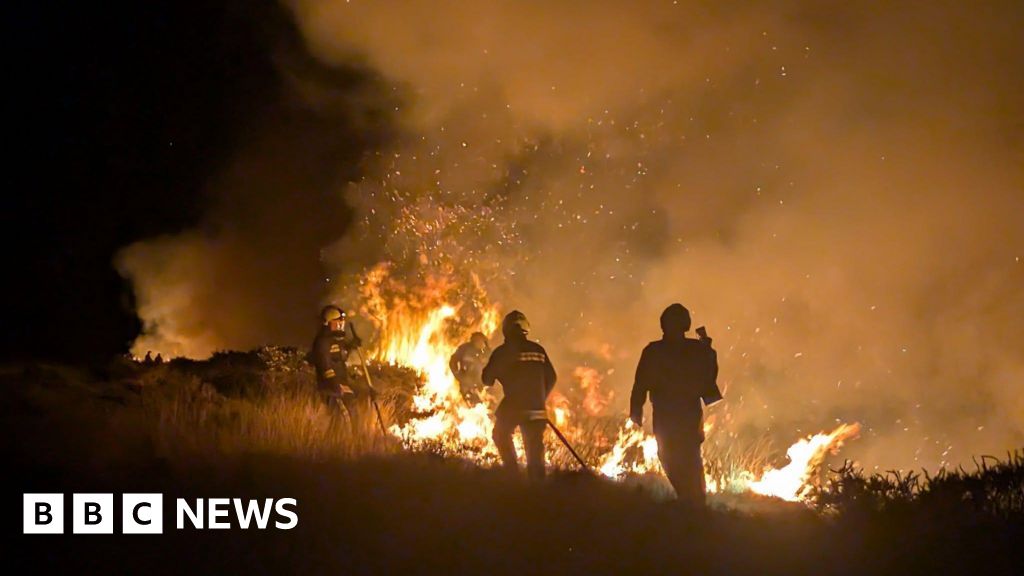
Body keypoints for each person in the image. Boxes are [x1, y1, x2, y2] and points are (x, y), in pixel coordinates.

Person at [630, 303, 722, 505]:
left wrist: (636, 409)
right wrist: (707, 348)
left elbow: (640, 383)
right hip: (685, 414)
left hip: (669, 414)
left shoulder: (655, 350)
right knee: (685, 457)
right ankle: (693, 498)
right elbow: (709, 373)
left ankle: (692, 499)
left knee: (673, 455)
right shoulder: (695, 349)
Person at [482, 311, 557, 480]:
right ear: (526, 329)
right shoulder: (538, 350)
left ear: (506, 330)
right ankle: (537, 489)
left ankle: (512, 474)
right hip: (537, 409)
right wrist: (540, 398)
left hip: (514, 406)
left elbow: (487, 379)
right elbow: (552, 377)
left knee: (500, 434)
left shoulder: (503, 352)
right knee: (534, 447)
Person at [310, 305, 370, 417]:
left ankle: (354, 434)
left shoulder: (337, 340)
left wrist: (352, 345)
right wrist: (334, 384)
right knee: (340, 417)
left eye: (342, 322)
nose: (341, 325)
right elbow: (325, 365)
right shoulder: (322, 342)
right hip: (330, 388)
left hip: (342, 384)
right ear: (328, 322)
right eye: (337, 322)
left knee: (353, 412)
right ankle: (337, 434)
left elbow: (341, 355)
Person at [449, 332, 491, 403]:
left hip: (481, 386)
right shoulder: (464, 349)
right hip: (466, 384)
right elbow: (453, 361)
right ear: (473, 340)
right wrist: (458, 375)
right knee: (466, 405)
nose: (480, 343)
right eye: (477, 340)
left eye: (481, 341)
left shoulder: (486, 352)